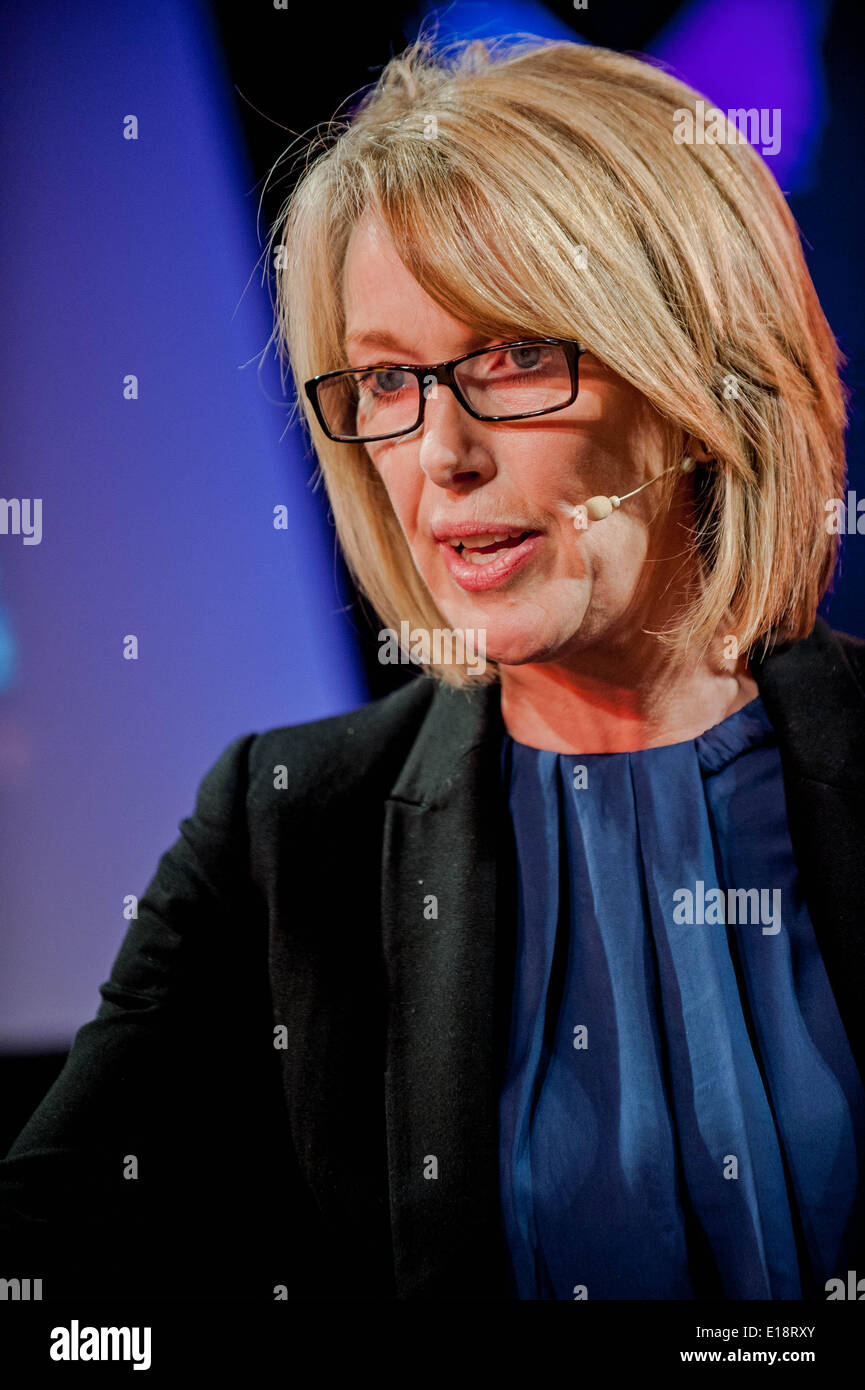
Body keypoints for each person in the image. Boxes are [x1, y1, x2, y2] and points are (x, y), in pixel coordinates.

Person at [2, 33, 863, 1302]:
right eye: (390, 378)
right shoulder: (288, 825)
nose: (439, 452)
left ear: (699, 382)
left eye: (514, 355)